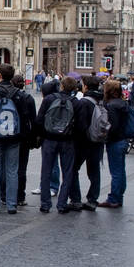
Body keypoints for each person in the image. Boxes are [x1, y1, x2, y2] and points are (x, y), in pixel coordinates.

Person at [0, 64, 24, 214]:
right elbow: (25, 116)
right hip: (14, 137)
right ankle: (12, 204)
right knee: (12, 171)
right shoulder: (19, 95)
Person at [36, 75, 78, 213]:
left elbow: (39, 119)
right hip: (67, 140)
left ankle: (45, 204)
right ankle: (62, 204)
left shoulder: (49, 99)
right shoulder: (75, 102)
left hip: (49, 139)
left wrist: (41, 136)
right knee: (67, 172)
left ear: (61, 86)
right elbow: (80, 125)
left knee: (46, 171)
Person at [67, 74, 106, 211]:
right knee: (94, 171)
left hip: (83, 142)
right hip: (98, 141)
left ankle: (76, 199)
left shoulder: (84, 103)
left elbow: (81, 125)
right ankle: (92, 200)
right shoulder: (101, 101)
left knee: (73, 169)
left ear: (86, 86)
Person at [99, 79, 129, 208]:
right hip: (123, 139)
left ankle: (114, 198)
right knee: (121, 170)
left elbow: (113, 125)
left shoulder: (111, 105)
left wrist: (106, 135)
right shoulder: (123, 103)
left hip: (115, 141)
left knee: (116, 171)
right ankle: (119, 196)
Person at [11, 74, 38, 207]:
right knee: (22, 168)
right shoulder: (28, 98)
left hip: (9, 135)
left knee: (9, 167)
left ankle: (6, 194)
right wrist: (33, 139)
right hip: (24, 137)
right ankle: (20, 196)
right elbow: (34, 121)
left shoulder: (8, 97)